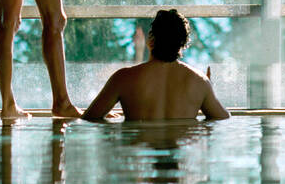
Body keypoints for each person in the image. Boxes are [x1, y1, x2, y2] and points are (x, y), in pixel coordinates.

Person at [82, 9, 231, 122]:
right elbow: (223, 118)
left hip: (140, 150)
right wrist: (209, 88)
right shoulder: (200, 83)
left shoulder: (123, 78)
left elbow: (89, 119)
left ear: (150, 40)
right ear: (183, 45)